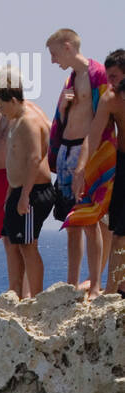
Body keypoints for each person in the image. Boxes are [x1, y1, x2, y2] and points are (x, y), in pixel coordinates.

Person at [47, 28, 117, 296]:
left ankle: (96, 285)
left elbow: (102, 120)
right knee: (71, 222)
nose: (53, 60)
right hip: (66, 149)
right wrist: (64, 108)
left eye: (54, 53)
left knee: (89, 220)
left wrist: (91, 162)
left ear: (67, 46)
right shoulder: (70, 79)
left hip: (86, 153)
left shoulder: (97, 74)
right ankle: (71, 284)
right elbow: (62, 119)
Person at [0, 69, 49, 296]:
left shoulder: (28, 118)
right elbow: (7, 156)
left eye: (1, 105)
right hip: (12, 186)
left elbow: (35, 157)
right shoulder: (13, 119)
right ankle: (16, 293)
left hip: (29, 190)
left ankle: (33, 296)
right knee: (13, 240)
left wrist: (25, 193)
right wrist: (5, 188)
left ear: (13, 97)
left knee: (28, 245)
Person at [74, 49, 125, 293]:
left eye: (113, 76)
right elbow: (92, 136)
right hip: (122, 163)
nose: (109, 81)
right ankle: (113, 291)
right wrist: (81, 168)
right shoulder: (110, 99)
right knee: (119, 232)